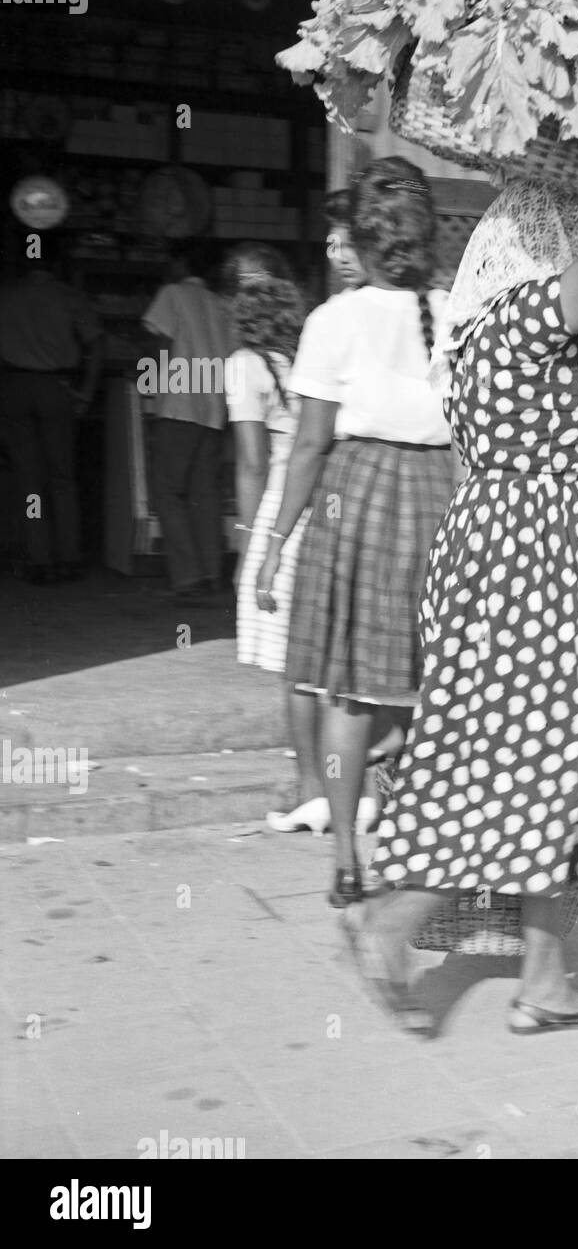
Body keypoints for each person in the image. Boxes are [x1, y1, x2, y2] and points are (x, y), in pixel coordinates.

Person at [347, 144, 578, 1036]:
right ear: (544, 241)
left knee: (561, 760)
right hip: (539, 564)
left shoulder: (475, 328)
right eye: (574, 238)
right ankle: (390, 925)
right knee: (523, 763)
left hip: (514, 553)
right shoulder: (527, 313)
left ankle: (545, 980)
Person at [255, 157, 454, 906]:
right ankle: (418, 846)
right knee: (430, 689)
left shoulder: (332, 320)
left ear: (362, 242)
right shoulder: (456, 312)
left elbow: (307, 446)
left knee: (347, 696)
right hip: (441, 498)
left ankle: (346, 859)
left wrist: (274, 544)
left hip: (355, 502)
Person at [224, 243, 380, 838]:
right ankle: (356, 789)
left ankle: (313, 790)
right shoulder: (310, 356)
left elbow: (250, 463)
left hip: (283, 514)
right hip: (337, 510)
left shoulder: (245, 366)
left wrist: (250, 542)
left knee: (293, 668)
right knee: (335, 659)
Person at [0, 236, 105, 584]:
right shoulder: (69, 297)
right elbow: (96, 343)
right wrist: (87, 391)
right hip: (57, 389)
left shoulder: (7, 296)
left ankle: (40, 560)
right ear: (56, 262)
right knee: (62, 478)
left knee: (30, 480)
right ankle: (70, 558)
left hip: (15, 388)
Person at [142, 243, 234, 603]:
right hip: (213, 408)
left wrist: (149, 382)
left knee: (168, 490)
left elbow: (161, 344)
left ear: (181, 262)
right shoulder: (221, 304)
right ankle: (211, 573)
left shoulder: (172, 293)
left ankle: (187, 577)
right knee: (204, 493)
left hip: (179, 403)